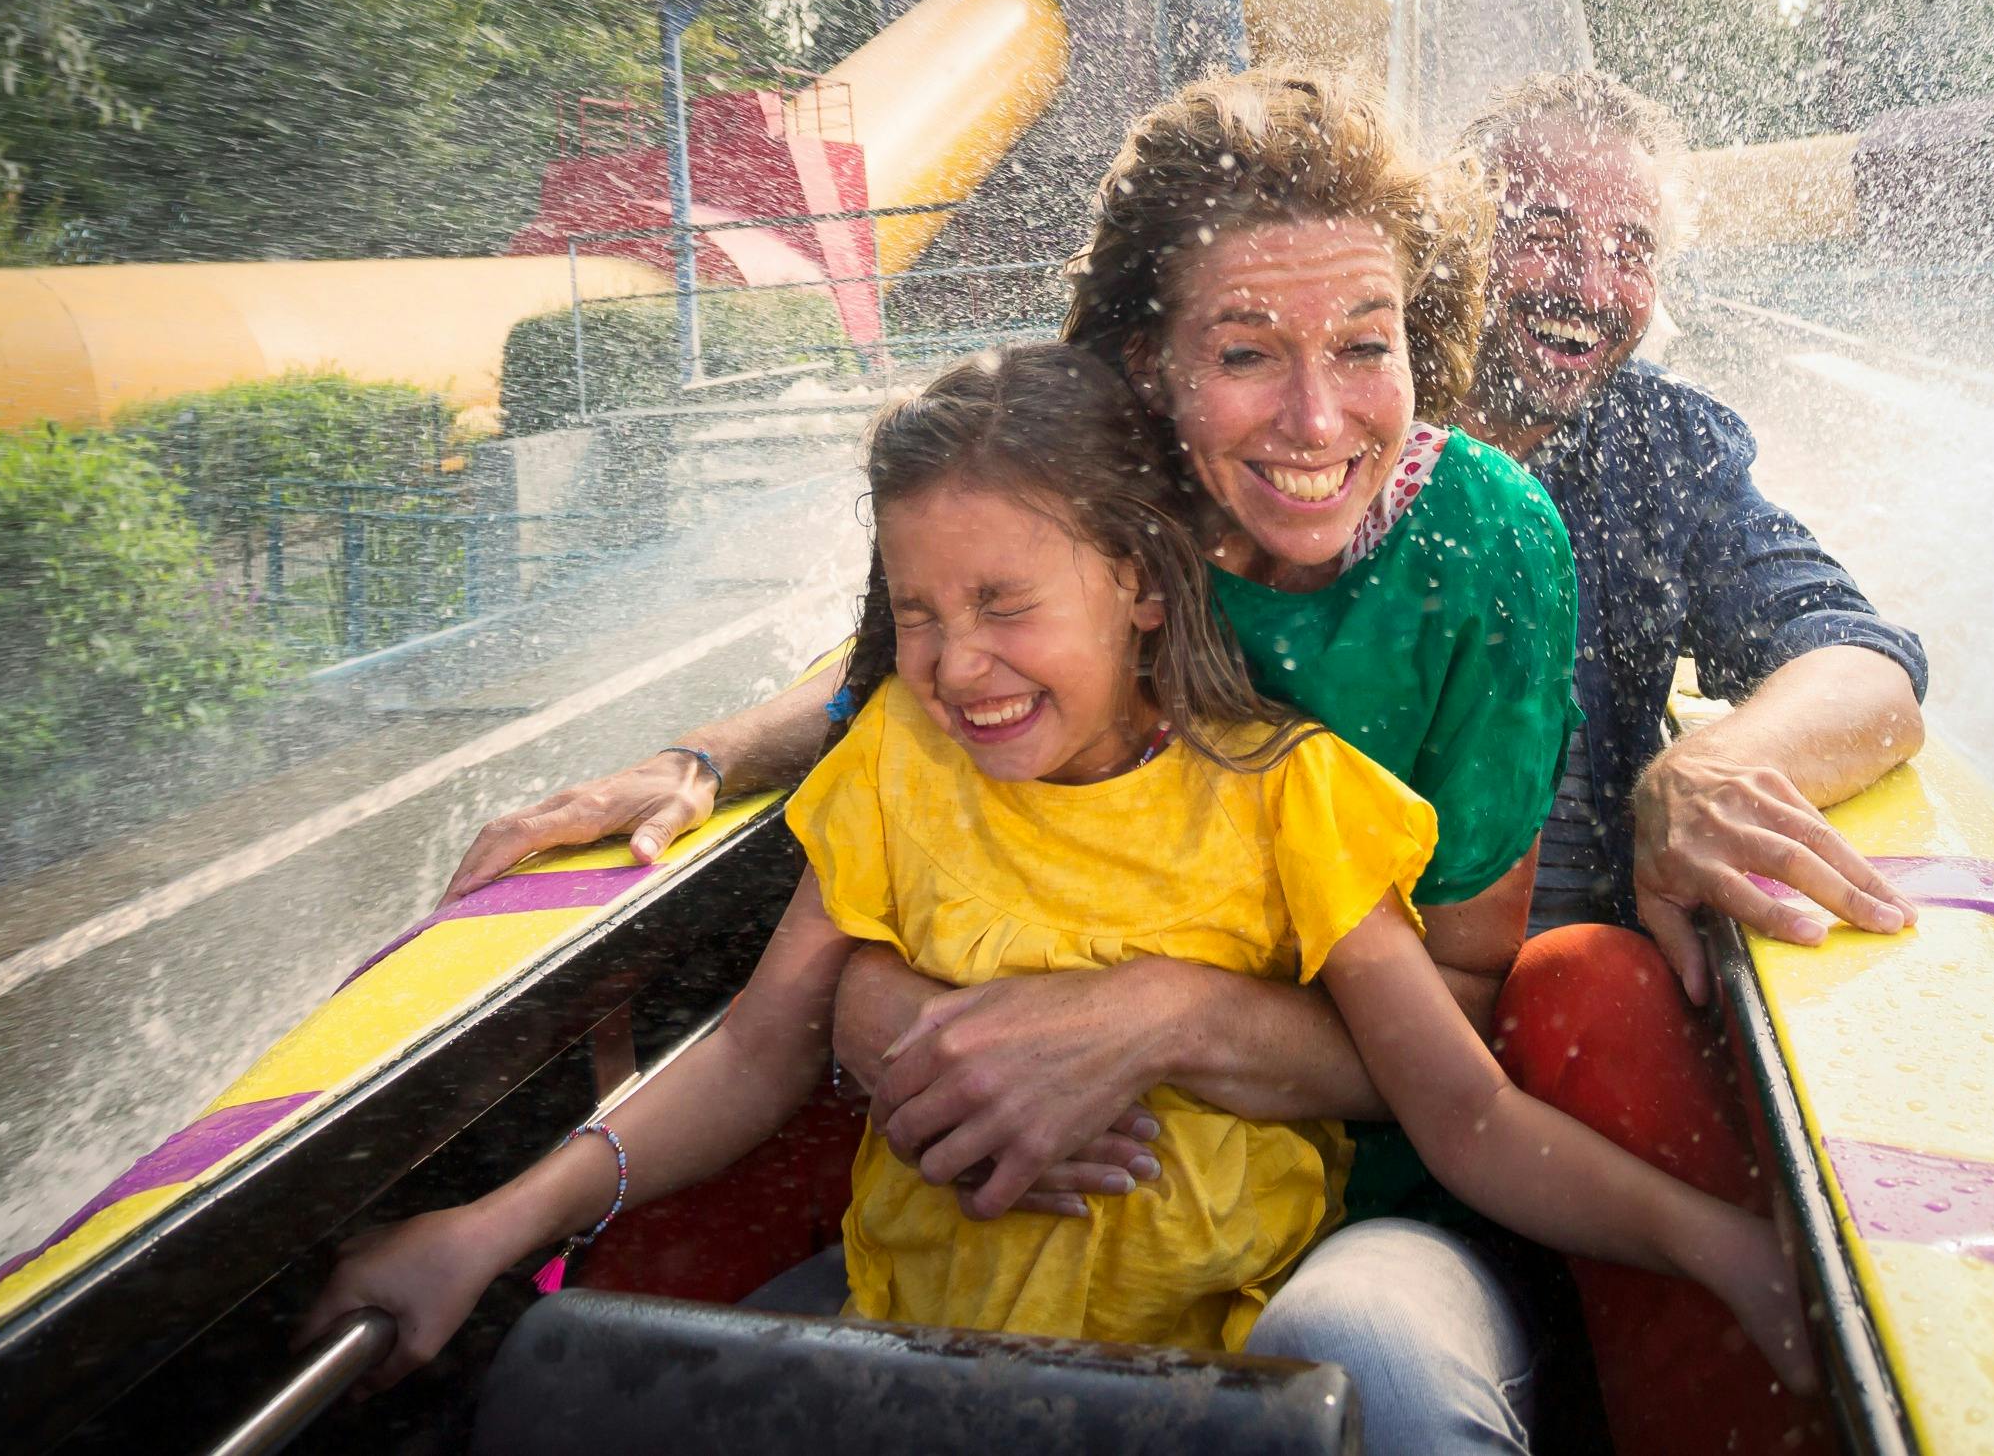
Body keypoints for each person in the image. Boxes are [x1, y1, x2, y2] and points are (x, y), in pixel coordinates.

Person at [445, 72, 1591, 1450]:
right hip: (1010, 1221)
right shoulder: (1091, 501)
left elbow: (1460, 1012)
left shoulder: (1488, 548)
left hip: (1366, 1205)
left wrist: (1161, 1019)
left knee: (1357, 1370)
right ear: (1143, 365)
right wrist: (709, 758)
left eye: (1365, 344)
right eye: (1243, 353)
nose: (1314, 419)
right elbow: (920, 677)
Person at [303, 346, 1804, 1390]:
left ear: (1141, 582)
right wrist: (495, 1225)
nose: (958, 664)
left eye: (1005, 603)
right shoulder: (901, 755)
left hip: (1219, 1364)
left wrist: (1722, 1243)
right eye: (918, 612)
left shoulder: (1289, 801)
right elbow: (760, 1044)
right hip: (924, 1347)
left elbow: (1462, 1107)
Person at [1453, 71, 1930, 1453]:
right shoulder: (1348, 412)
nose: (1589, 284)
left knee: (1586, 989)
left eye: (1632, 249)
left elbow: (1862, 656)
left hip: (1550, 1049)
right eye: (1544, 229)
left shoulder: (1651, 448)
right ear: (1453, 232)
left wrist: (1703, 769)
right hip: (1361, 999)